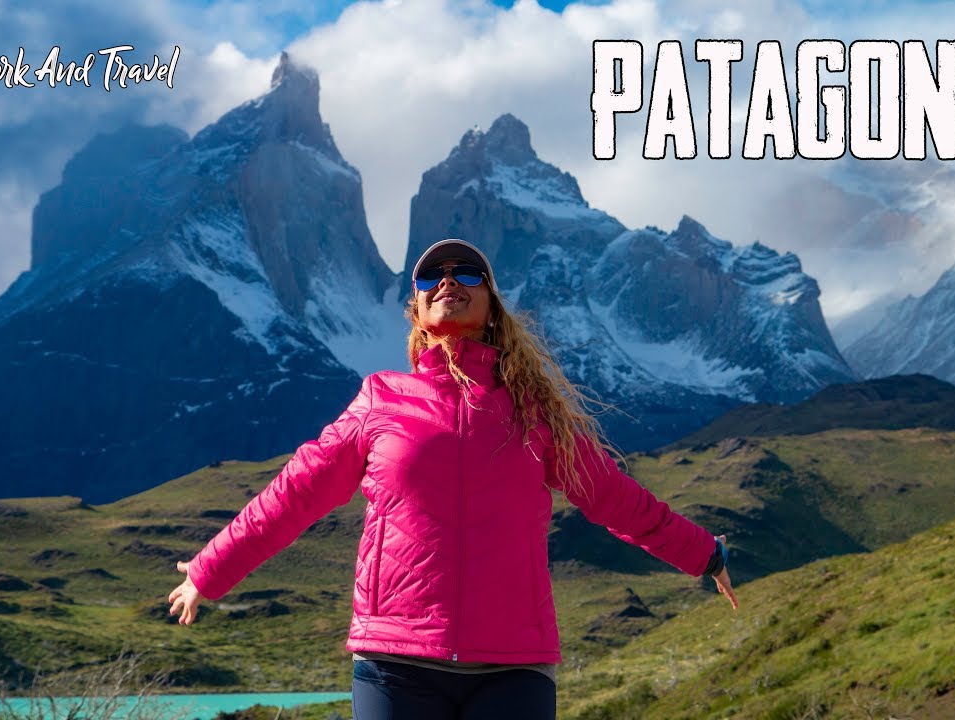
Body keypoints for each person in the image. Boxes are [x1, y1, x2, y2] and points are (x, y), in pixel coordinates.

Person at [168, 238, 738, 719]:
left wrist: (704, 554)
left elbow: (615, 498)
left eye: (468, 273)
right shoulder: (379, 400)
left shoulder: (533, 413)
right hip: (396, 661)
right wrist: (209, 570)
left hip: (513, 667)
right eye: (430, 276)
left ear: (492, 307)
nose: (448, 281)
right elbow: (295, 492)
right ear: (415, 310)